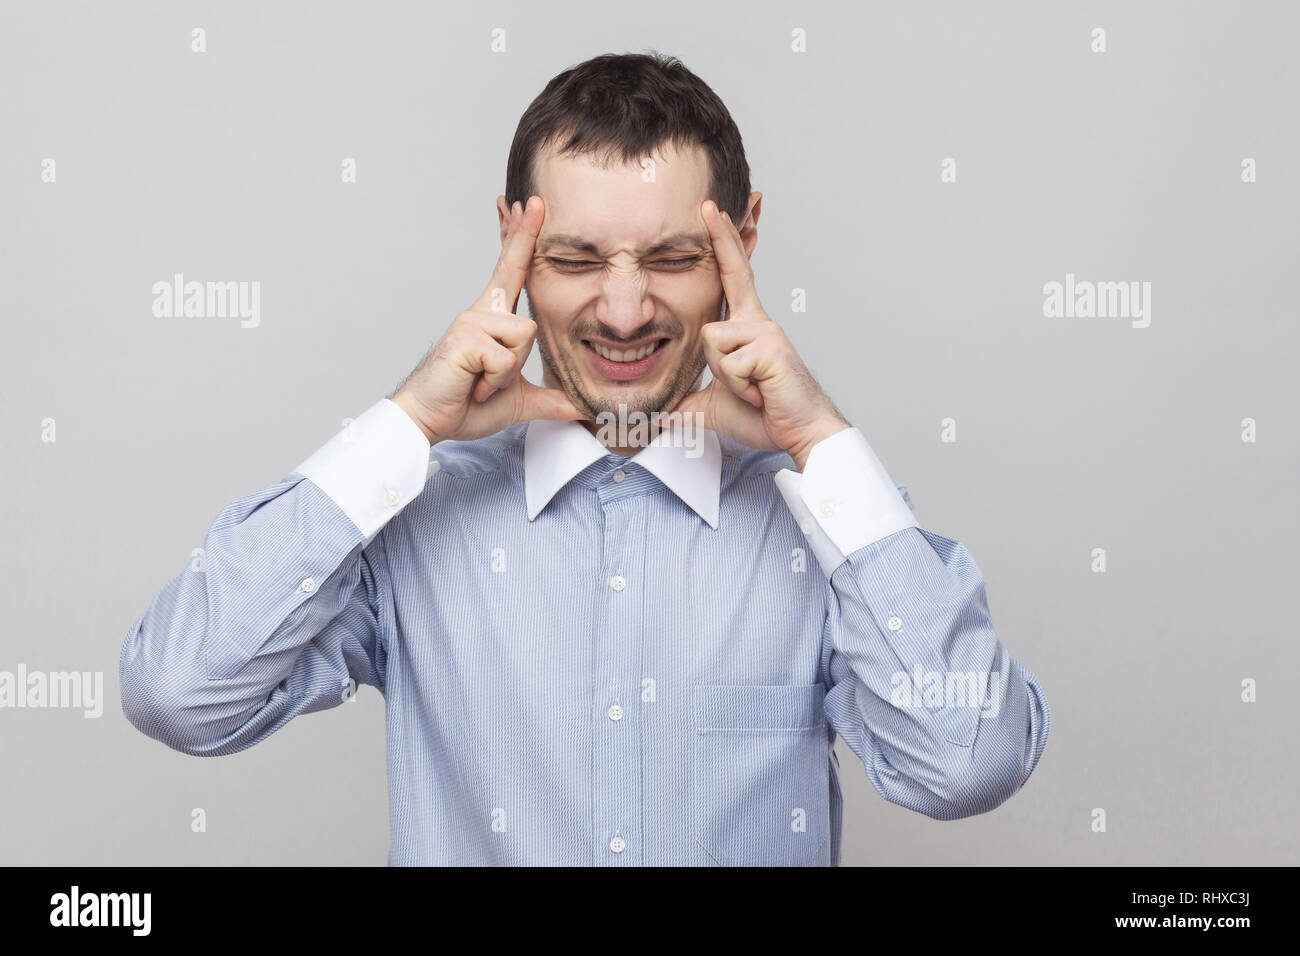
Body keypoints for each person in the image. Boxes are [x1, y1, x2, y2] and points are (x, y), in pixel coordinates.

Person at [120, 51, 1050, 866]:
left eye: (674, 256)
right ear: (513, 244)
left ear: (744, 237)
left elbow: (967, 762)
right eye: (574, 260)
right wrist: (407, 424)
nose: (623, 310)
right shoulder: (413, 522)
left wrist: (826, 448)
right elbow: (181, 693)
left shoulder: (833, 525)